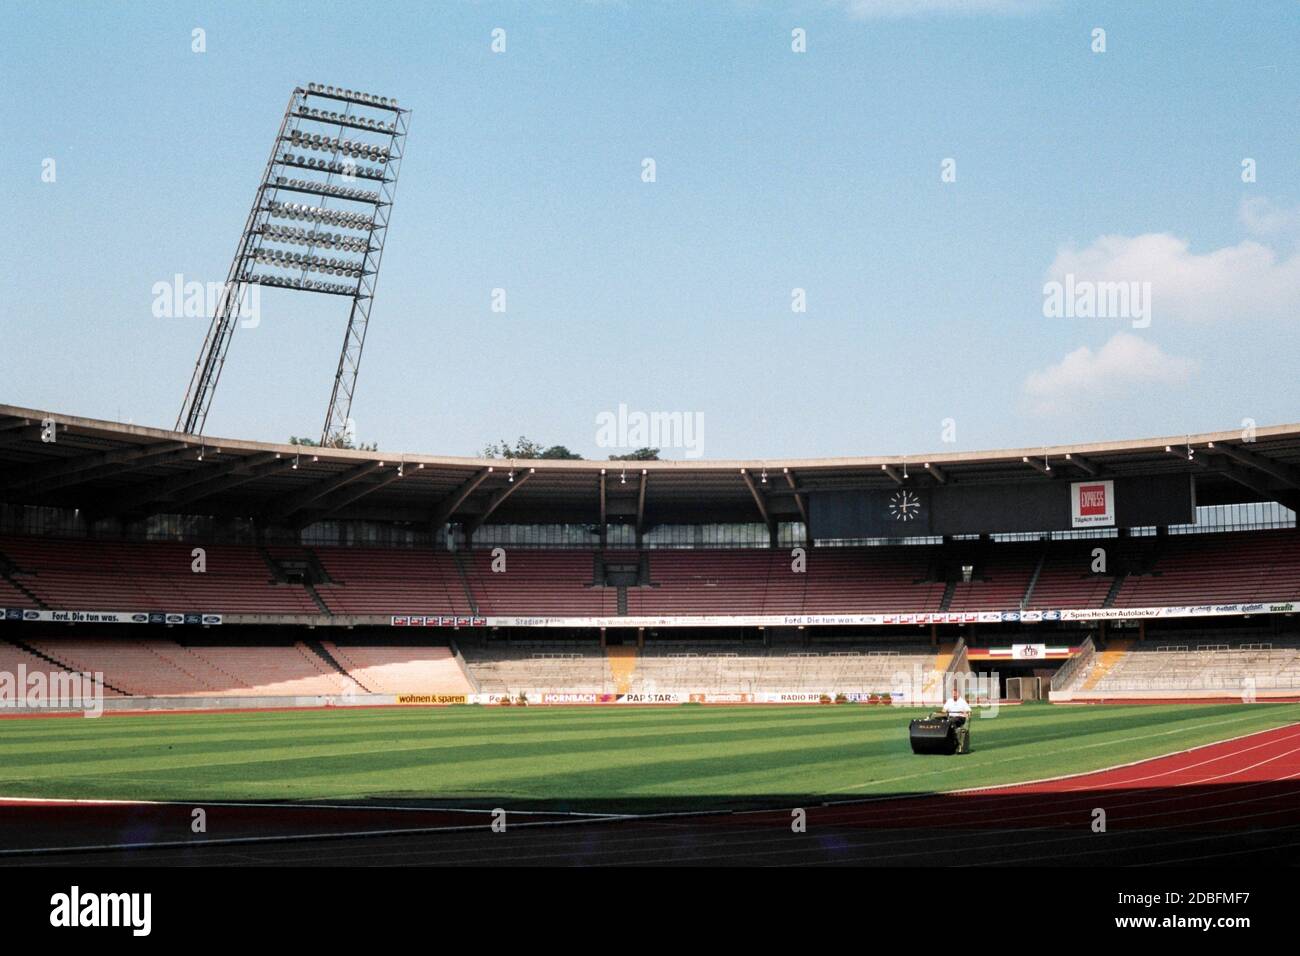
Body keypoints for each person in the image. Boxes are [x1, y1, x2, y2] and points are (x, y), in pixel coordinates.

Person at [940, 686, 972, 754]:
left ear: (958, 694)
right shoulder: (949, 701)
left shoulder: (962, 701)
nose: (954, 694)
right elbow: (944, 710)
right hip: (950, 718)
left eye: (955, 693)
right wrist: (943, 712)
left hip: (960, 718)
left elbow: (969, 711)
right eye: (953, 693)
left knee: (952, 721)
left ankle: (956, 743)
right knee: (943, 721)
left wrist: (966, 713)